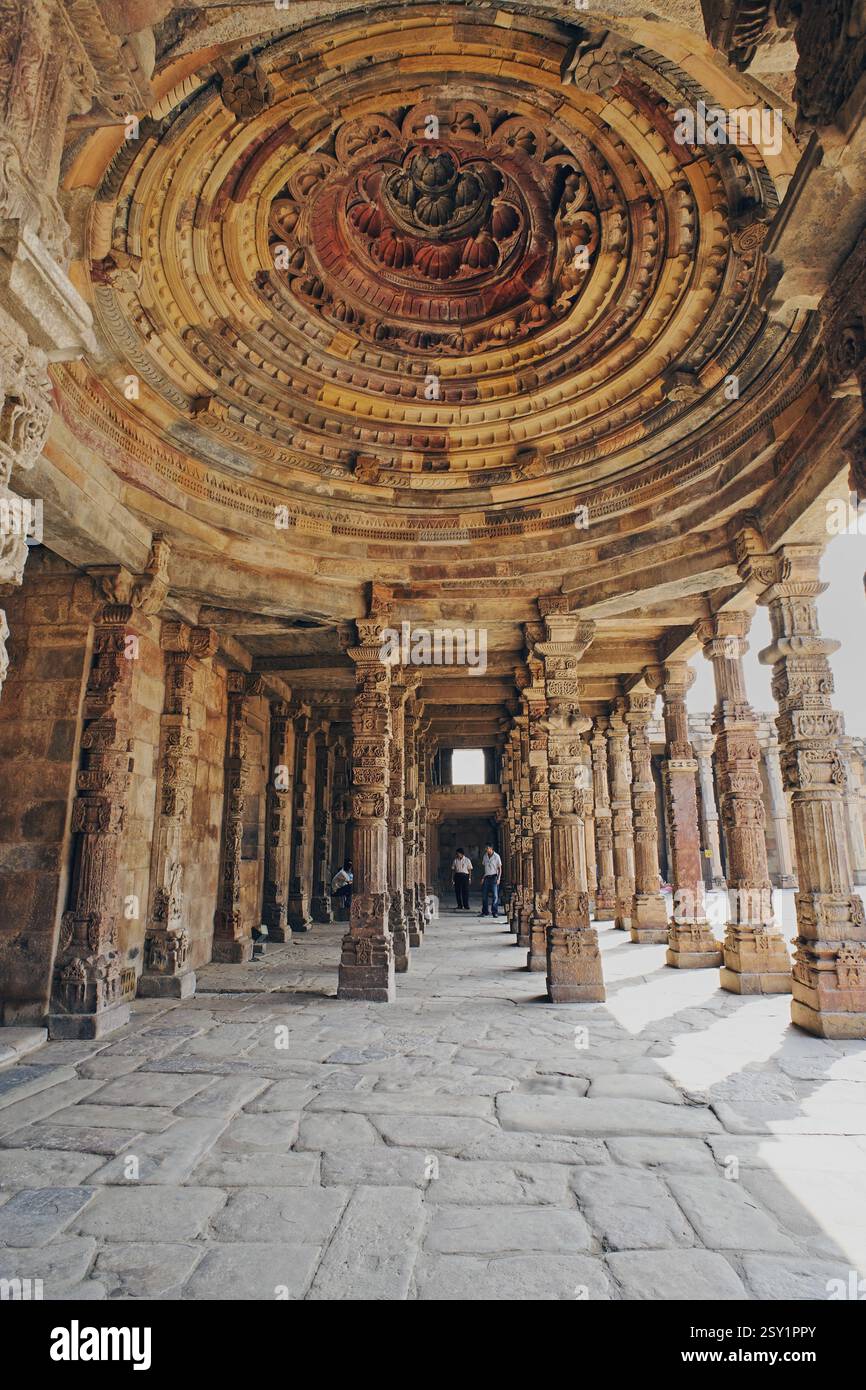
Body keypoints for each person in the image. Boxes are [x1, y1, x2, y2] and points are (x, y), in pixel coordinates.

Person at [480, 843, 502, 917]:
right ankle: (485, 911)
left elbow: (499, 868)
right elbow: (484, 868)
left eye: (487, 848)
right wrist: (483, 877)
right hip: (486, 877)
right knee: (484, 895)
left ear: (491, 848)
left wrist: (499, 878)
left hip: (494, 877)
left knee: (495, 896)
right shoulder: (485, 856)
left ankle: (494, 912)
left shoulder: (496, 856)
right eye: (486, 848)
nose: (486, 850)